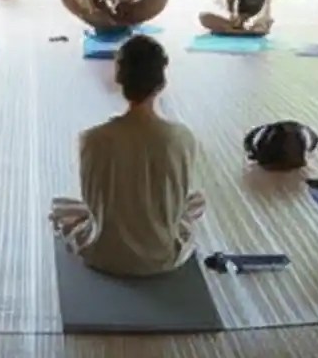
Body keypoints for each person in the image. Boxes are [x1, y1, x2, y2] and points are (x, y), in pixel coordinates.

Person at [49, 35, 204, 277]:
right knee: (195, 202)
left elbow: (93, 201)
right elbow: (176, 195)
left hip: (103, 254)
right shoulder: (183, 138)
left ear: (119, 78)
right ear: (161, 82)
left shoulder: (92, 139)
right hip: (163, 256)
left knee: (62, 209)